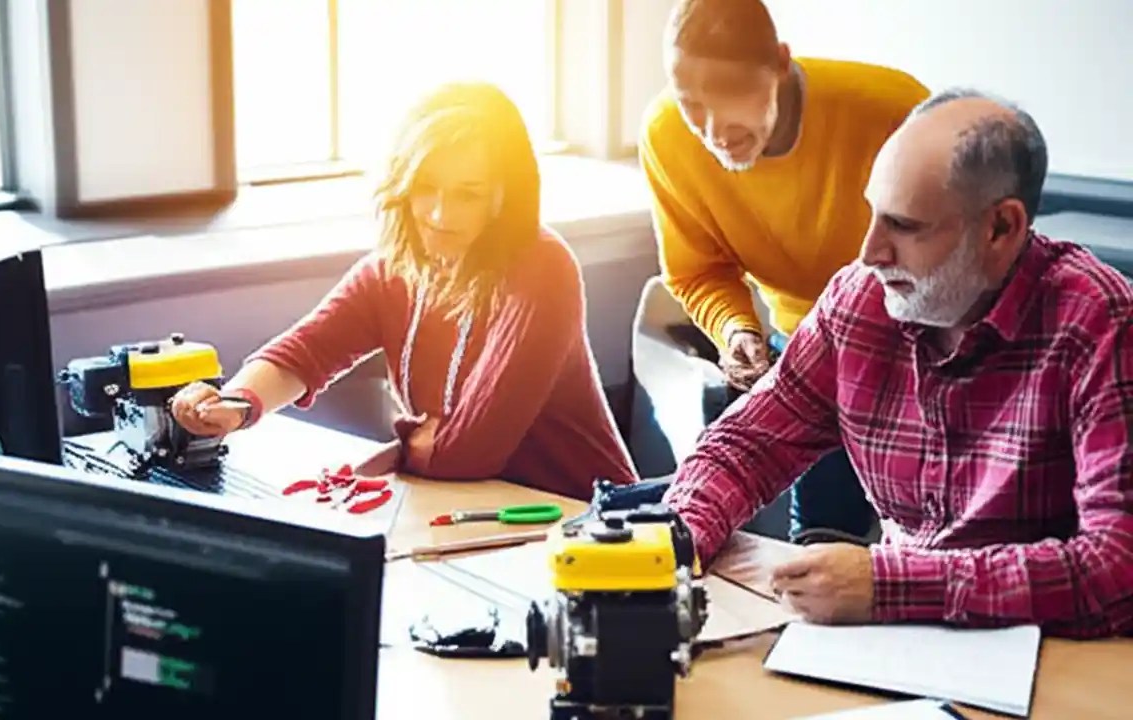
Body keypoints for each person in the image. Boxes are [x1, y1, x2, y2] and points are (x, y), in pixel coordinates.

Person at [665, 88, 1133, 638]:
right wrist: (678, 536)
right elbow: (747, 446)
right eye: (873, 214)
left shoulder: (1098, 321)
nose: (870, 252)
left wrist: (890, 585)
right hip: (901, 649)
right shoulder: (859, 300)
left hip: (1058, 661)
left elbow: (1116, 571)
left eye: (905, 226)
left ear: (1001, 229)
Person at [169, 82, 637, 499]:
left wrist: (395, 450)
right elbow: (304, 352)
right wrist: (234, 405)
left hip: (583, 520)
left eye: (467, 194)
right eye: (425, 188)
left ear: (503, 196)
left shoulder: (542, 266)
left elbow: (469, 453)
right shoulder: (395, 268)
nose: (438, 214)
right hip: (465, 509)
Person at [638, 0, 929, 543]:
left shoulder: (893, 109)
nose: (712, 130)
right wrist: (736, 330)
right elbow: (698, 271)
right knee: (820, 534)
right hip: (803, 345)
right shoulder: (666, 137)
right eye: (691, 105)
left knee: (928, 536)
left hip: (920, 346)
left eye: (732, 101)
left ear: (780, 63)